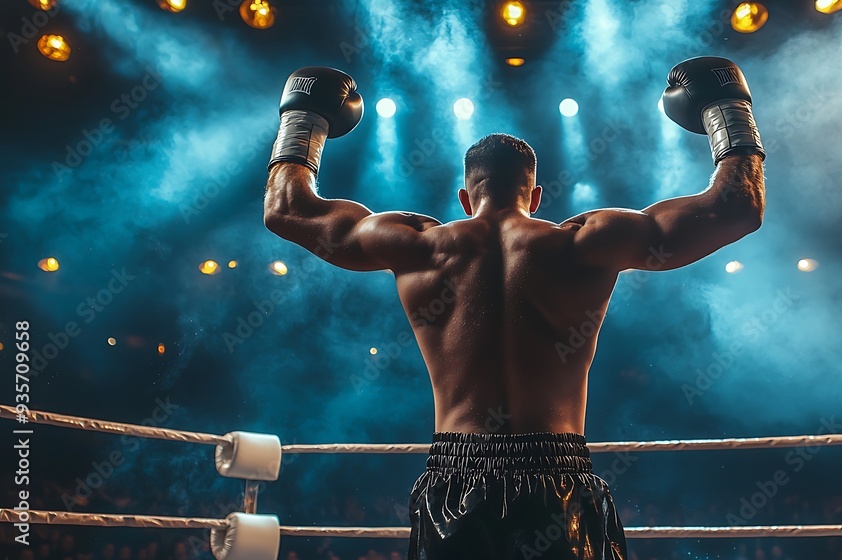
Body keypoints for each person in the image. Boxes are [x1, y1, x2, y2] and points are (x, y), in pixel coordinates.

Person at [264, 57, 765, 560]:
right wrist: (727, 108)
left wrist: (304, 120)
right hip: (558, 478)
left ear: (465, 196)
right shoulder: (584, 243)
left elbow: (286, 209)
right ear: (537, 195)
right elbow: (736, 206)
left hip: (454, 477)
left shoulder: (417, 245)